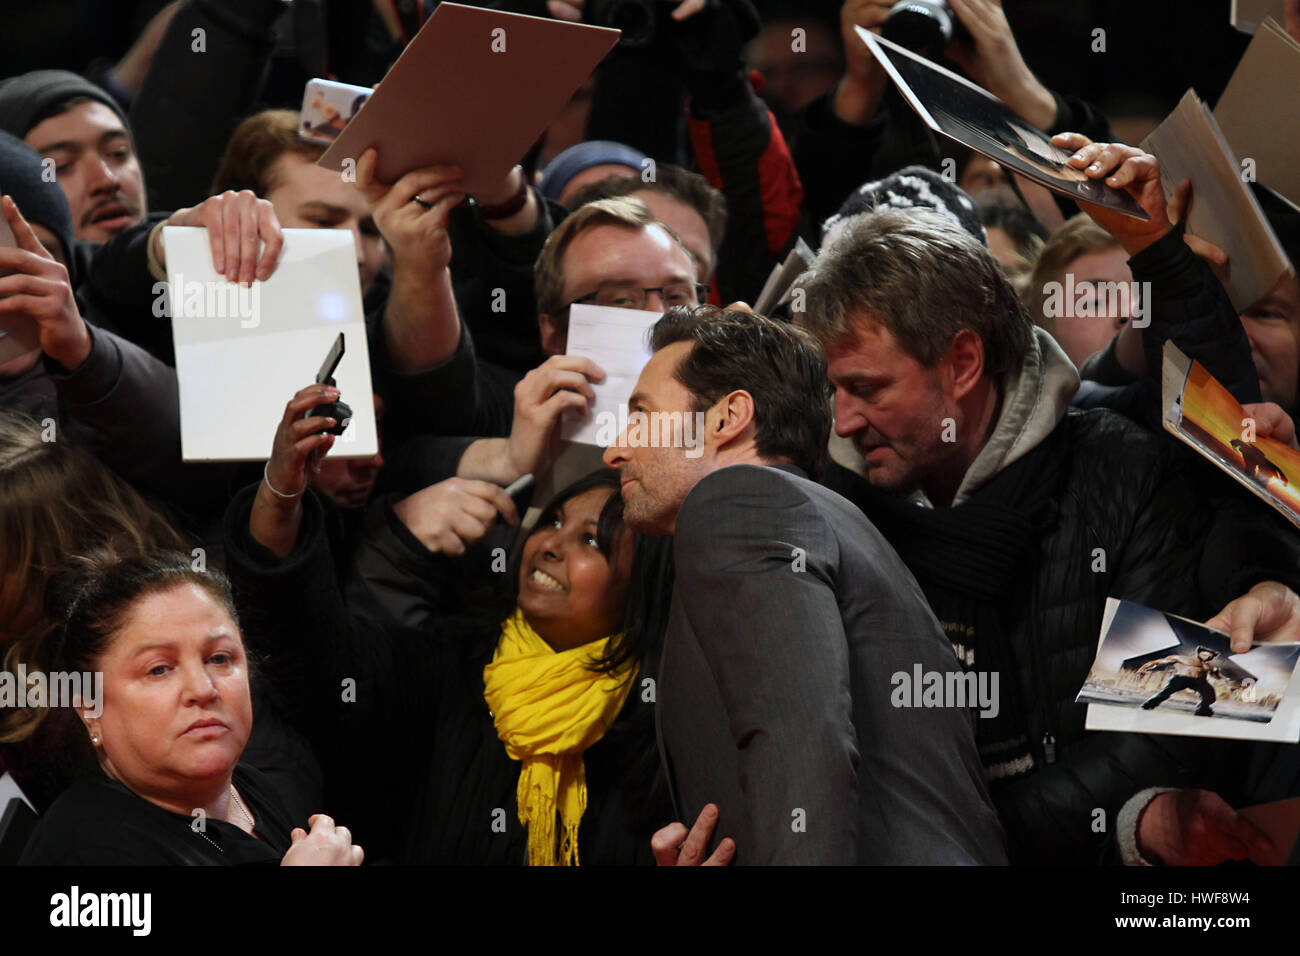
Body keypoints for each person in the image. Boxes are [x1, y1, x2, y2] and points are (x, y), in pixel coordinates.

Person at [797, 204, 1300, 865]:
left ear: (963, 363)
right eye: (835, 389)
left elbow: (1174, 728)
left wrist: (961, 838)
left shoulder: (1122, 470)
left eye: (866, 387)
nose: (845, 421)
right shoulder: (833, 513)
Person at [601, 305, 1007, 865]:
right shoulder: (824, 518)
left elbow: (799, 738)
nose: (614, 450)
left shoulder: (737, 502)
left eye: (641, 416)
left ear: (727, 417)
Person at [219, 381, 675, 864]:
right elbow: (316, 662)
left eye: (590, 542)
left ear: (639, 590)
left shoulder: (654, 730)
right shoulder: (450, 662)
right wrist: (279, 499)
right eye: (554, 522)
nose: (549, 545)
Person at [18, 551, 362, 866]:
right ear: (90, 708)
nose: (202, 688)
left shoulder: (245, 785)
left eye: (219, 658)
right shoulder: (81, 852)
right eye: (159, 669)